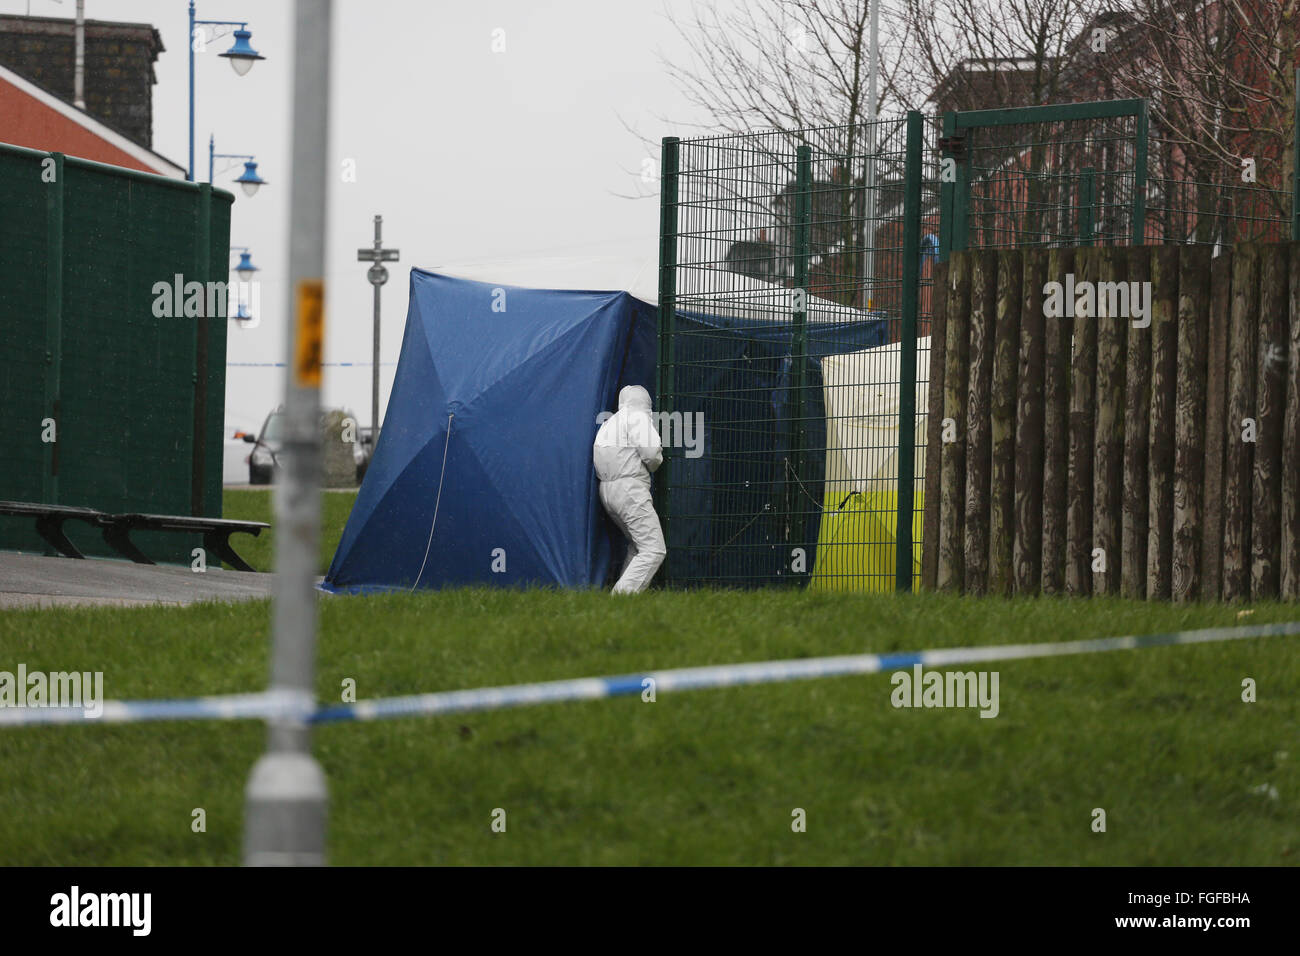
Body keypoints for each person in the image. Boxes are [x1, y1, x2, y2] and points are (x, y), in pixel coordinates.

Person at [593, 385, 665, 594]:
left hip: (607, 491)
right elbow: (652, 454)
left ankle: (624, 599)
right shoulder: (637, 416)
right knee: (653, 549)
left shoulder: (609, 423)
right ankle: (621, 599)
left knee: (636, 546)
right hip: (630, 490)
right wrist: (658, 462)